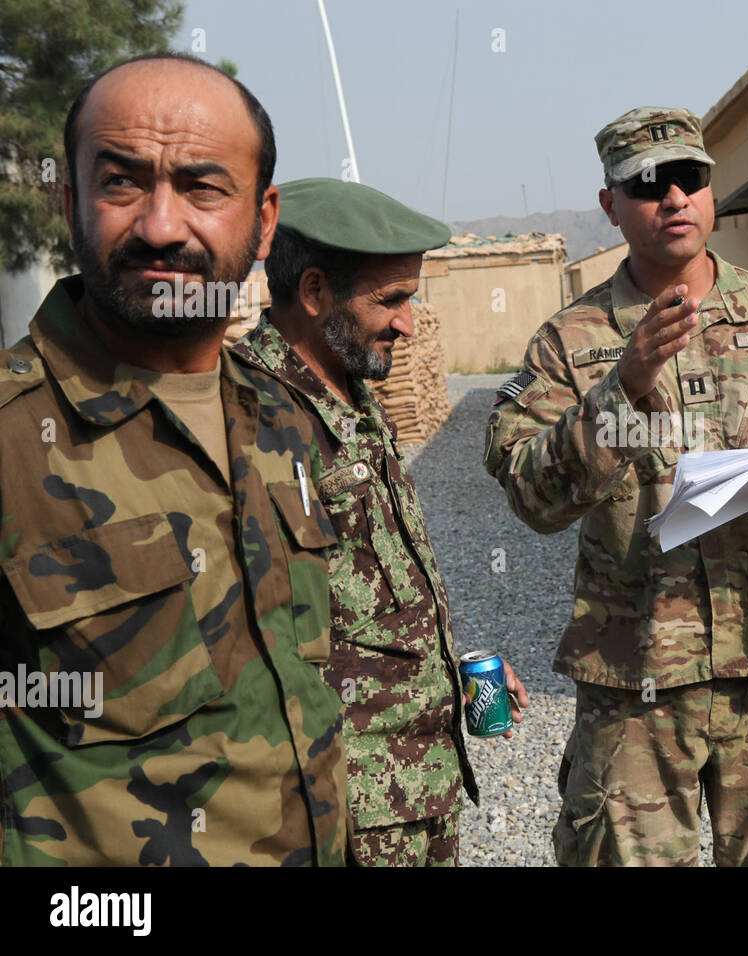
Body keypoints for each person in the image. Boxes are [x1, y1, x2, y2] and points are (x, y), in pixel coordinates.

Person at [484, 107, 748, 866]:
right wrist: (623, 386)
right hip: (634, 673)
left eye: (690, 178)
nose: (673, 197)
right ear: (610, 206)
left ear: (711, 191)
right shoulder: (567, 341)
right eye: (647, 185)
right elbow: (527, 490)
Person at [0, 55, 349, 865]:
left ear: (263, 222)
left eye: (201, 187)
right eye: (122, 182)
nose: (160, 226)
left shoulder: (283, 417)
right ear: (70, 202)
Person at [232, 178, 528, 866]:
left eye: (411, 298)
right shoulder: (249, 417)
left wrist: (446, 673)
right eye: (389, 300)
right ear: (312, 292)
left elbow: (358, 599)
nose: (409, 322)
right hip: (336, 814)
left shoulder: (354, 395)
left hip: (413, 793)